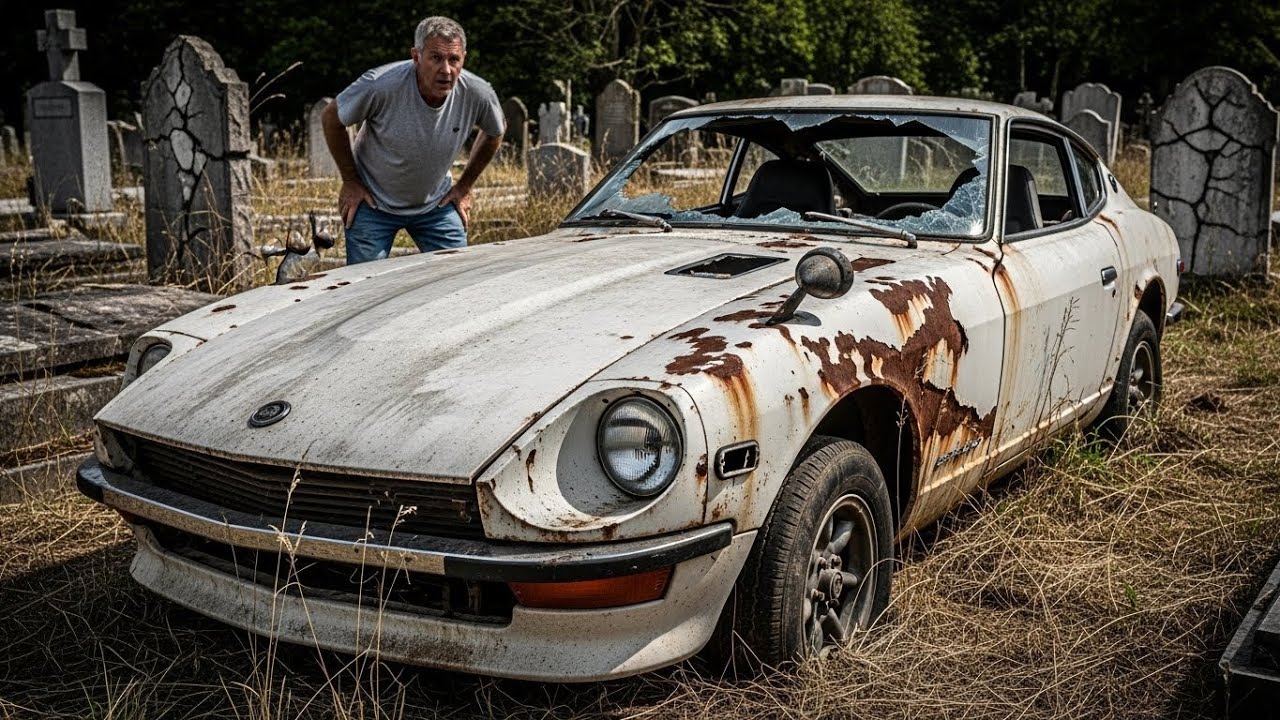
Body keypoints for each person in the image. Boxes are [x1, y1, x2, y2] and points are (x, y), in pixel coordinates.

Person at [321, 16, 504, 264]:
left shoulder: (477, 92)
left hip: (435, 205)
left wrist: (464, 187)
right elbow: (332, 118)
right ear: (416, 56)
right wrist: (350, 181)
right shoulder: (380, 84)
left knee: (454, 279)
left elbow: (495, 131)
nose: (446, 70)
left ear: (464, 59)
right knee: (365, 287)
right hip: (374, 202)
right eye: (436, 58)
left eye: (454, 60)